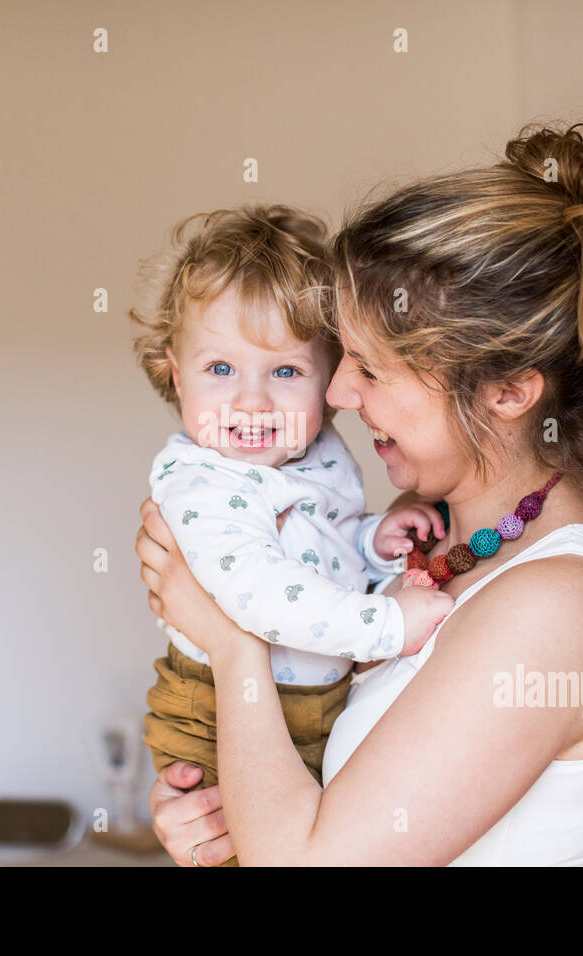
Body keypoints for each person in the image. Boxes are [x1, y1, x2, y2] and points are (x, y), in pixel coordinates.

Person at [135, 113, 583, 865]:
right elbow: (311, 803)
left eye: (372, 370)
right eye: (342, 356)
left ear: (508, 392)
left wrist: (229, 641)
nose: (338, 394)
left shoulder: (559, 610)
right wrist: (220, 808)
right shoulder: (432, 536)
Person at [127, 206, 455, 840]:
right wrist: (383, 623)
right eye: (220, 369)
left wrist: (374, 541)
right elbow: (260, 591)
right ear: (174, 370)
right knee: (229, 838)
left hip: (304, 705)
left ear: (329, 377)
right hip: (214, 713)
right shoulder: (203, 480)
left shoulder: (316, 452)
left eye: (285, 372)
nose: (252, 401)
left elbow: (319, 549)